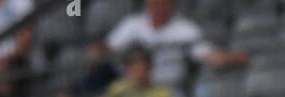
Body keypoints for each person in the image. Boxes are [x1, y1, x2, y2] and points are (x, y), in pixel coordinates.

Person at [104, 0, 247, 90]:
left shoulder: (185, 29)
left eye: (163, 3)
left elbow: (208, 55)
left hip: (170, 90)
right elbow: (107, 49)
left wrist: (230, 58)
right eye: (155, 2)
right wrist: (98, 50)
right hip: (135, 90)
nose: (158, 6)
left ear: (172, 4)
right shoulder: (132, 24)